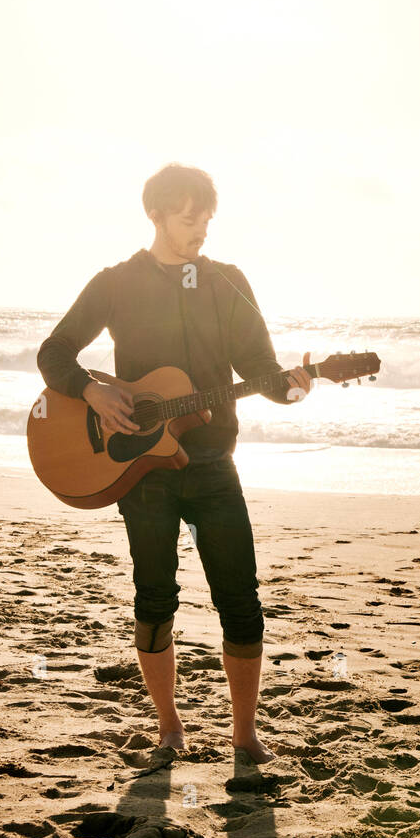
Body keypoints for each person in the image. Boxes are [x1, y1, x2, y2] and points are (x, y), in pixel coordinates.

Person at [35, 163, 313, 764]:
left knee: (240, 599)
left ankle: (244, 737)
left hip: (213, 462)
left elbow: (261, 370)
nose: (201, 229)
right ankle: (170, 729)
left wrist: (292, 385)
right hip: (143, 467)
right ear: (156, 213)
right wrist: (91, 390)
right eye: (189, 217)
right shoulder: (115, 283)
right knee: (155, 597)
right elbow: (54, 352)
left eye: (207, 217)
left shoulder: (228, 282)